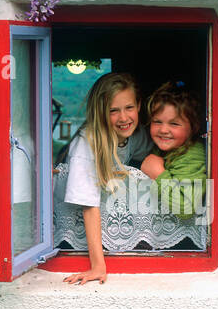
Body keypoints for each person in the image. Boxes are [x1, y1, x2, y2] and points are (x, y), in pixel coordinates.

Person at [61, 71, 154, 285]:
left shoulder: (137, 135)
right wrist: (98, 266)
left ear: (139, 105)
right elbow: (88, 204)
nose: (123, 118)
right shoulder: (87, 143)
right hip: (78, 228)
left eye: (129, 108)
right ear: (100, 112)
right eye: (113, 111)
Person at [139, 81, 207, 219]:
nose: (163, 130)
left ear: (193, 127)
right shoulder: (162, 148)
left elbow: (186, 207)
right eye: (157, 122)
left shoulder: (192, 155)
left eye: (174, 124)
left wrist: (159, 174)